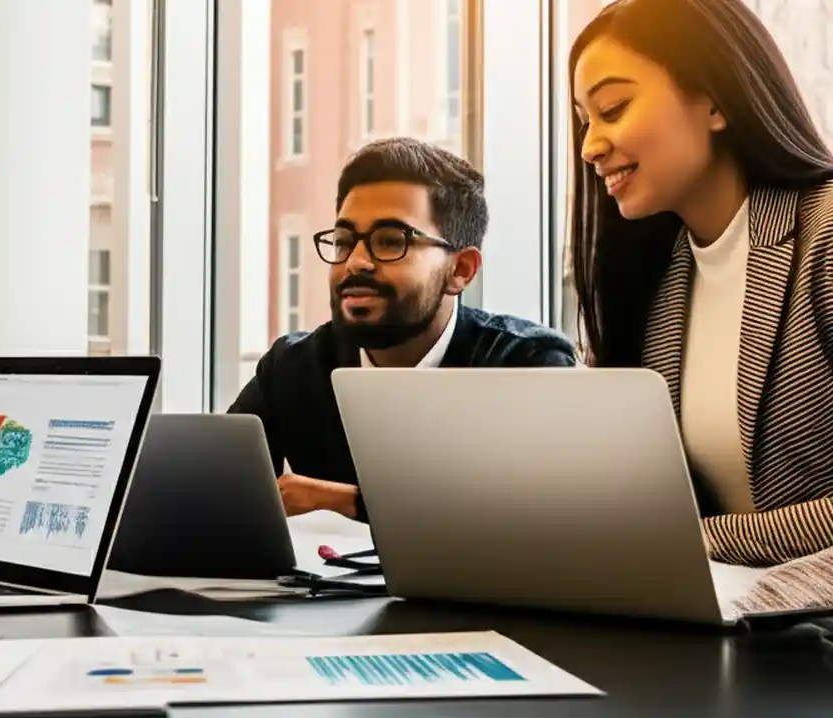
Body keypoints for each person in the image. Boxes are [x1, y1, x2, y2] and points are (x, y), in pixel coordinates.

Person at [570, 0, 833, 566]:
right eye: (583, 119)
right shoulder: (656, 278)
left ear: (715, 100)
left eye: (612, 108)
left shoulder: (825, 235)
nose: (589, 145)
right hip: (721, 630)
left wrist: (693, 544)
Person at [229, 138, 577, 521]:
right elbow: (213, 488)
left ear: (460, 270)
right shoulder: (292, 367)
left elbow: (534, 520)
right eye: (344, 241)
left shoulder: (528, 366)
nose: (356, 262)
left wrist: (349, 503)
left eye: (390, 241)